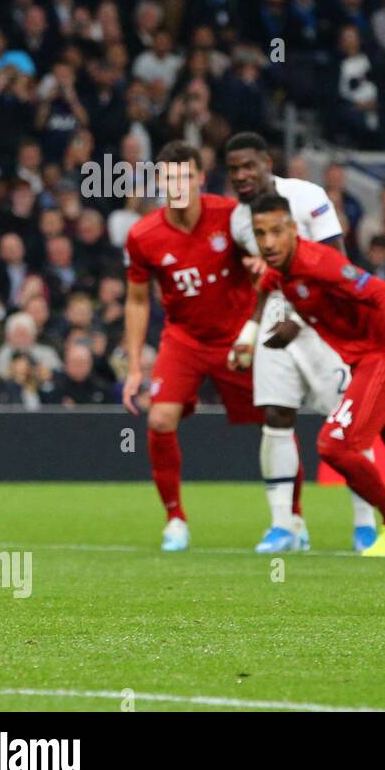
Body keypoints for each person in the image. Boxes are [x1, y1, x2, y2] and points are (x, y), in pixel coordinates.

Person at [247, 192, 385, 557]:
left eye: (275, 232)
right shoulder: (279, 272)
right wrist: (246, 339)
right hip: (361, 358)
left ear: (294, 230)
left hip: (379, 355)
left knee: (338, 443)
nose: (267, 242)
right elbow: (267, 285)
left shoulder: (318, 257)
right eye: (260, 234)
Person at [121, 141, 262, 552]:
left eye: (185, 177)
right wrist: (134, 368)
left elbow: (269, 263)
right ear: (159, 183)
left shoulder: (232, 216)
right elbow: (135, 300)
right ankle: (175, 520)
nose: (178, 185)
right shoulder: (143, 235)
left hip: (237, 339)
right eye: (169, 178)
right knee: (160, 419)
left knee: (274, 422)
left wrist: (259, 266)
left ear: (201, 178)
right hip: (183, 339)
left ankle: (290, 520)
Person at [224, 131, 353, 553]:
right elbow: (265, 282)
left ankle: (368, 525)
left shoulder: (308, 195)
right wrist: (248, 334)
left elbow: (337, 260)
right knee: (276, 416)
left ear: (266, 161)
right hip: (277, 319)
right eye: (234, 170)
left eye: (249, 166)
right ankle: (285, 526)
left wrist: (300, 319)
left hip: (325, 316)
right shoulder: (238, 221)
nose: (242, 176)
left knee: (346, 420)